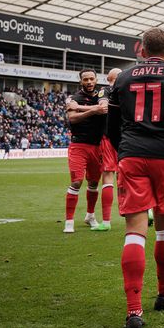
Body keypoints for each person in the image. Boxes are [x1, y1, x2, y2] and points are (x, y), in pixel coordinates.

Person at [106, 28, 164, 328]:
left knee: (134, 233)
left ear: (140, 51)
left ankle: (133, 310)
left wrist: (125, 152)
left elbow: (111, 129)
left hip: (131, 155)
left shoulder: (123, 78)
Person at [63, 69, 108, 233]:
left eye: (91, 79)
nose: (89, 82)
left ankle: (90, 216)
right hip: (78, 145)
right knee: (76, 181)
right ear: (81, 81)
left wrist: (84, 109)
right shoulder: (73, 98)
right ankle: (69, 221)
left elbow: (103, 108)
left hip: (97, 146)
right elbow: (72, 118)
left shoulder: (102, 94)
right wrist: (92, 111)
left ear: (96, 80)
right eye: (85, 79)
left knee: (94, 182)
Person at [92, 68, 123, 232]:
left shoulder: (106, 90)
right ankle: (147, 211)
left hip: (110, 137)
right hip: (128, 138)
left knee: (108, 177)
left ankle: (106, 221)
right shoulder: (128, 89)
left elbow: (103, 107)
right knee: (131, 176)